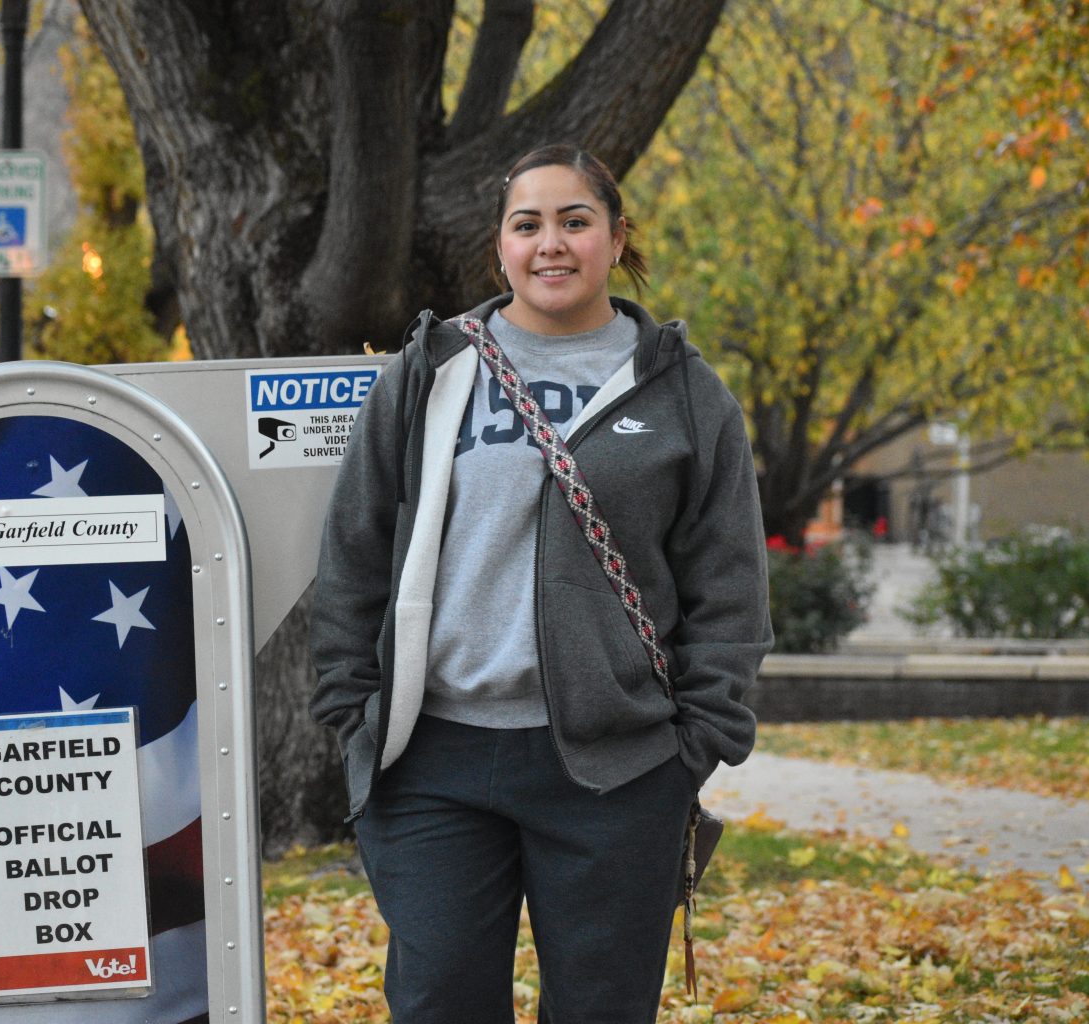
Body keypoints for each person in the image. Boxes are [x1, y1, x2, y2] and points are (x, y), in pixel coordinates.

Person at [309, 143, 772, 1023]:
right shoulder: (432, 374)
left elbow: (730, 584)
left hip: (616, 766)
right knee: (439, 1002)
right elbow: (355, 551)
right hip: (433, 758)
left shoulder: (685, 393)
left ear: (615, 236)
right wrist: (353, 711)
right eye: (528, 224)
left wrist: (694, 747)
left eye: (574, 220)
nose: (550, 243)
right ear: (501, 247)